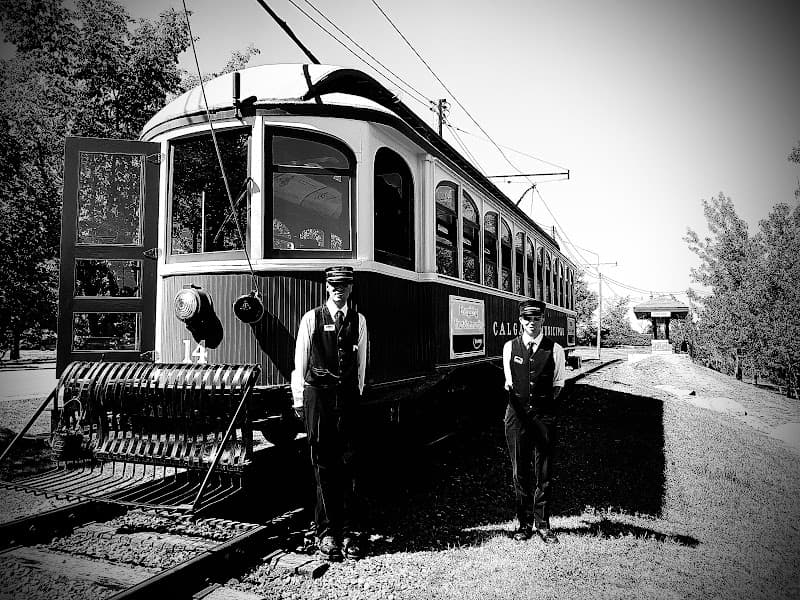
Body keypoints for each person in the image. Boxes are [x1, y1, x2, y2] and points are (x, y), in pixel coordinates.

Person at [291, 266, 368, 561]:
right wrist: (299, 399)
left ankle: (348, 532)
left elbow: (361, 362)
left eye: (344, 285)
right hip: (317, 398)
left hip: (346, 398)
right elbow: (301, 360)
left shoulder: (358, 320)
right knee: (323, 463)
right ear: (326, 287)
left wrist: (356, 392)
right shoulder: (311, 318)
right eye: (334, 284)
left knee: (348, 462)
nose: (338, 289)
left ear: (351, 288)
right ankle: (326, 534)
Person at [502, 299, 566, 544]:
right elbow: (509, 384)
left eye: (536, 318)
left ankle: (543, 524)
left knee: (544, 472)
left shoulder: (555, 350)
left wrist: (541, 409)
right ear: (520, 321)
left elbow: (558, 386)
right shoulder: (510, 347)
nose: (531, 323)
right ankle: (522, 524)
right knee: (520, 471)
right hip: (516, 418)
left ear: (543, 320)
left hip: (543, 417)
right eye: (527, 319)